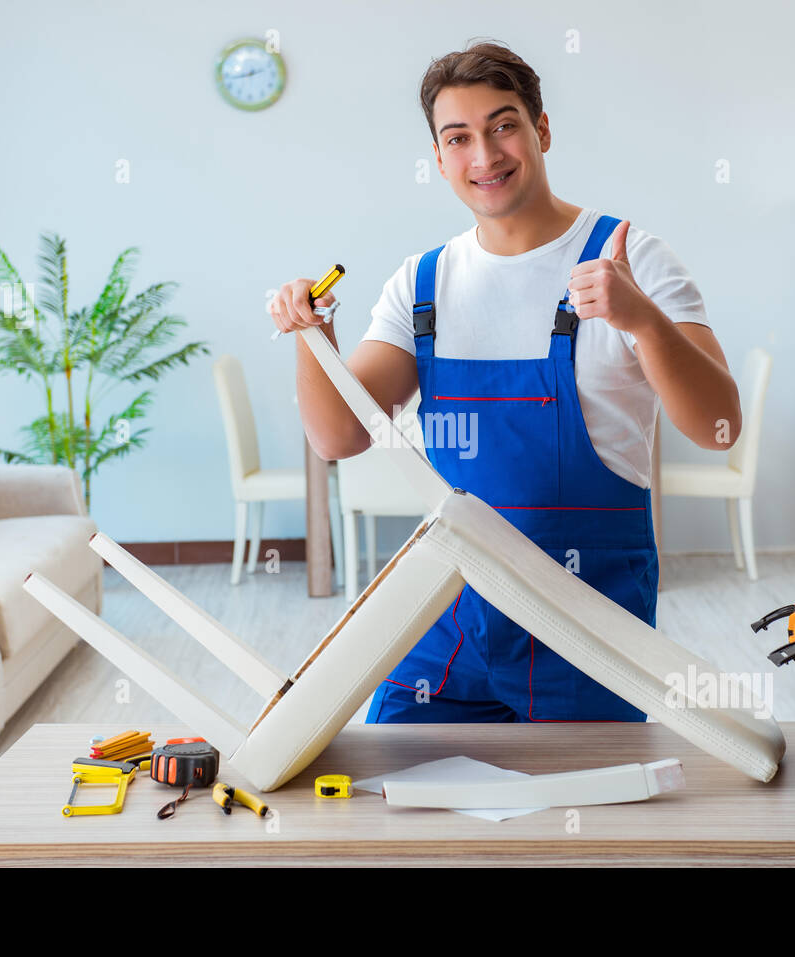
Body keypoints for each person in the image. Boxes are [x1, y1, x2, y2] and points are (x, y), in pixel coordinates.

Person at [269, 40, 741, 723]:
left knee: (580, 817)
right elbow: (339, 435)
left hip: (588, 626)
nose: (484, 156)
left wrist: (641, 319)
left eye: (503, 125)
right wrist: (312, 337)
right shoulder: (423, 282)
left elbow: (719, 425)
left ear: (541, 129)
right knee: (403, 807)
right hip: (448, 618)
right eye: (459, 137)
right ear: (439, 158)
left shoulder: (629, 257)